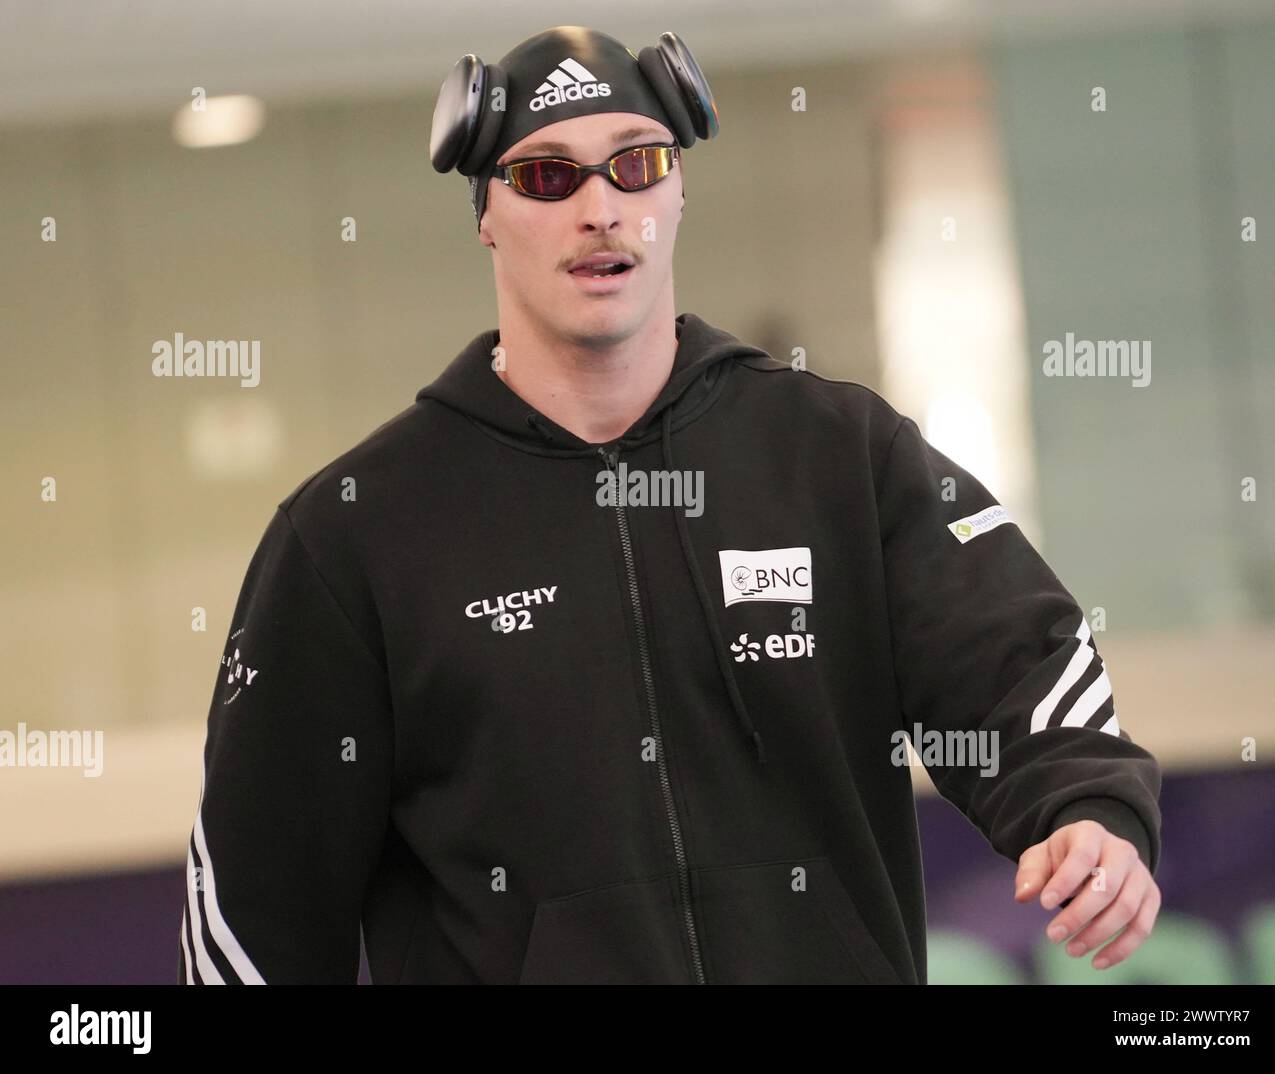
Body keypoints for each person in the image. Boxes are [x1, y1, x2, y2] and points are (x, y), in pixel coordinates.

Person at [178, 25, 1162, 985]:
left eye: (636, 164)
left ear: (679, 189)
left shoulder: (836, 456)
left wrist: (1084, 807)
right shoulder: (358, 531)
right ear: (486, 213)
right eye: (547, 176)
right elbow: (252, 904)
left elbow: (1015, 661)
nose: (600, 208)